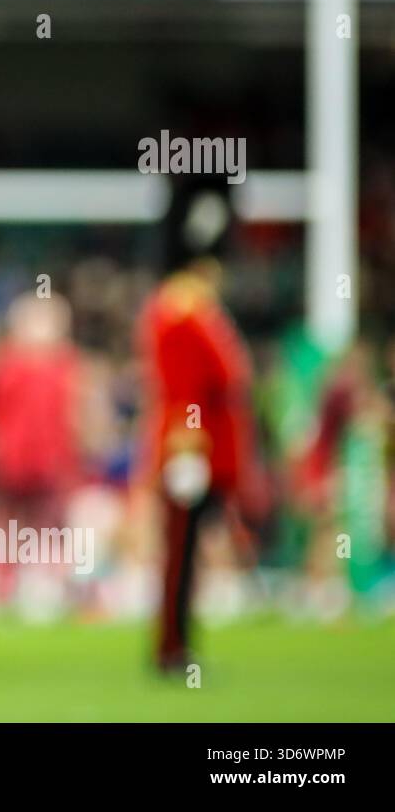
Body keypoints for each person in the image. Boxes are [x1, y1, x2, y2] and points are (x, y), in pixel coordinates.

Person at [132, 176, 266, 673]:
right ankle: (171, 648)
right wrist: (187, 454)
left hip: (208, 453)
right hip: (192, 452)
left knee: (189, 556)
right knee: (180, 556)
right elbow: (186, 390)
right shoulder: (181, 312)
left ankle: (179, 644)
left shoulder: (197, 311)